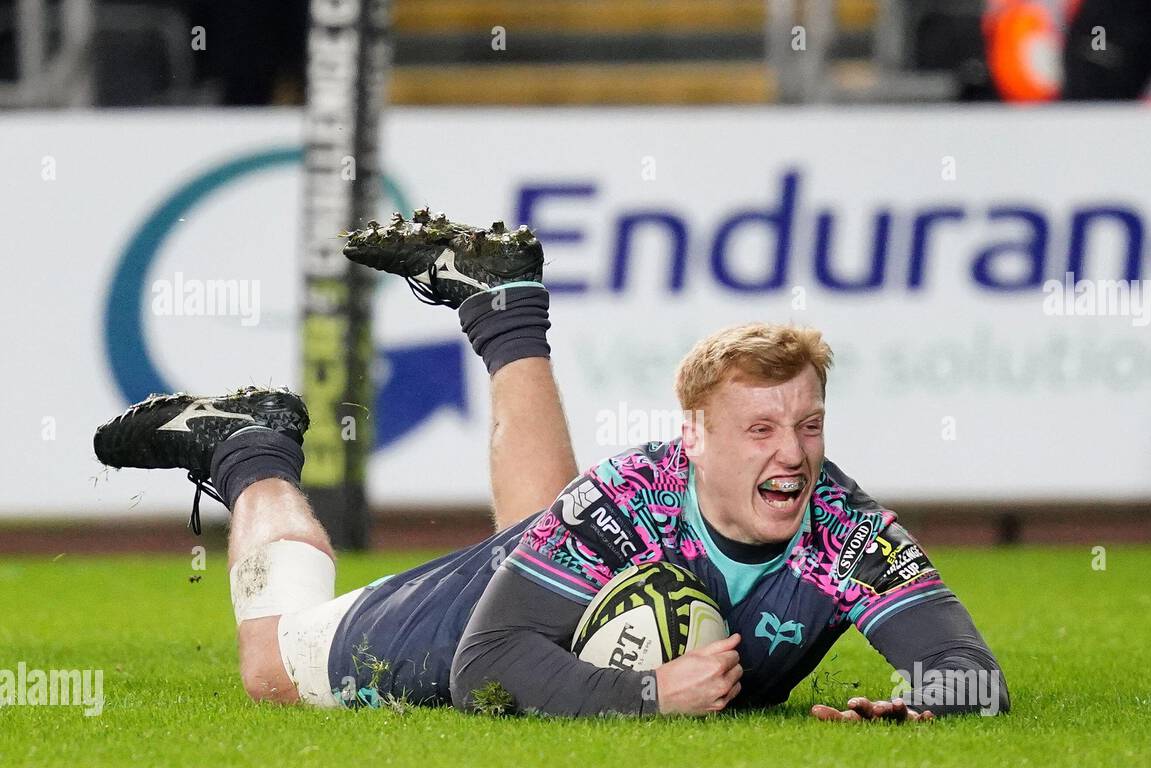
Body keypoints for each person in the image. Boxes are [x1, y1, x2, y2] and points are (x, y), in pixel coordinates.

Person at [94, 214, 1010, 722]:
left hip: (552, 568)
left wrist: (921, 703)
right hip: (469, 619)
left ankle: (505, 304)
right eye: (760, 428)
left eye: (809, 425)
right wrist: (652, 695)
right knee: (272, 666)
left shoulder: (843, 529)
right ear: (692, 436)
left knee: (551, 524)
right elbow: (482, 671)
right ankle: (248, 448)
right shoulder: (630, 494)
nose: (793, 454)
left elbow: (970, 667)